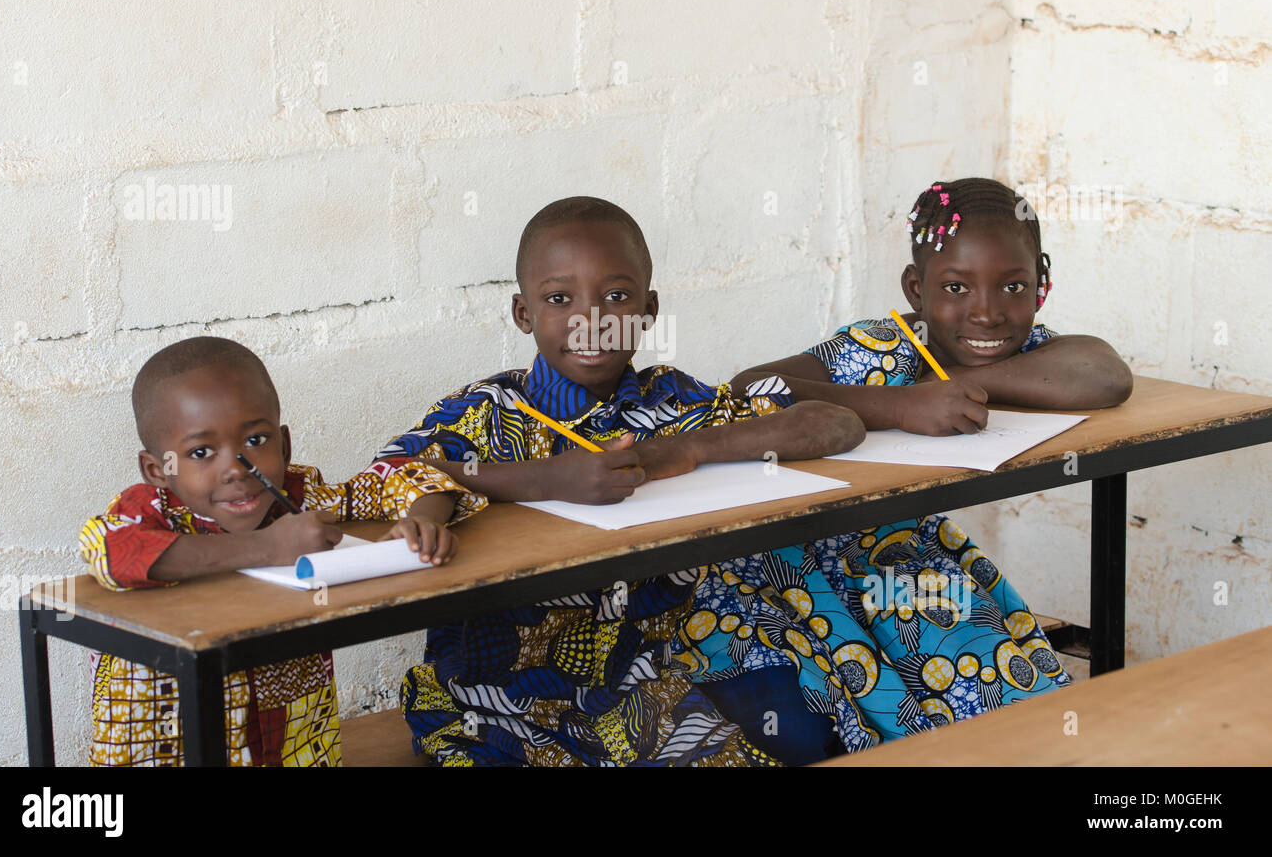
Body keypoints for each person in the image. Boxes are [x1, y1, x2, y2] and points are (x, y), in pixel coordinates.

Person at [377, 195, 864, 765]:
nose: (591, 320)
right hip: (491, 704)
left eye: (616, 296)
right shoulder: (489, 411)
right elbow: (395, 473)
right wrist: (547, 479)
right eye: (560, 299)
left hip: (646, 694)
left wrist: (680, 450)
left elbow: (833, 423)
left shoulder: (674, 402)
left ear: (649, 307)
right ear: (523, 313)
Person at [674, 177, 1134, 763]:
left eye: (1013, 286)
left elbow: (1105, 376)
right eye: (956, 287)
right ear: (915, 289)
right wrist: (897, 404)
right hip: (794, 569)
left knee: (1010, 707)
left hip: (906, 563)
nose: (988, 312)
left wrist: (953, 386)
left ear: (1041, 282)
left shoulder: (1030, 352)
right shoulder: (880, 347)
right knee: (821, 725)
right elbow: (750, 387)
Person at [79, 336, 485, 766]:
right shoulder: (148, 512)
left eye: (255, 440)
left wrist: (423, 520)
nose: (236, 468)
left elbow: (407, 475)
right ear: (157, 469)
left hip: (293, 740)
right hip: (171, 745)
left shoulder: (299, 495)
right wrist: (268, 546)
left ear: (284, 445)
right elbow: (109, 552)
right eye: (201, 452)